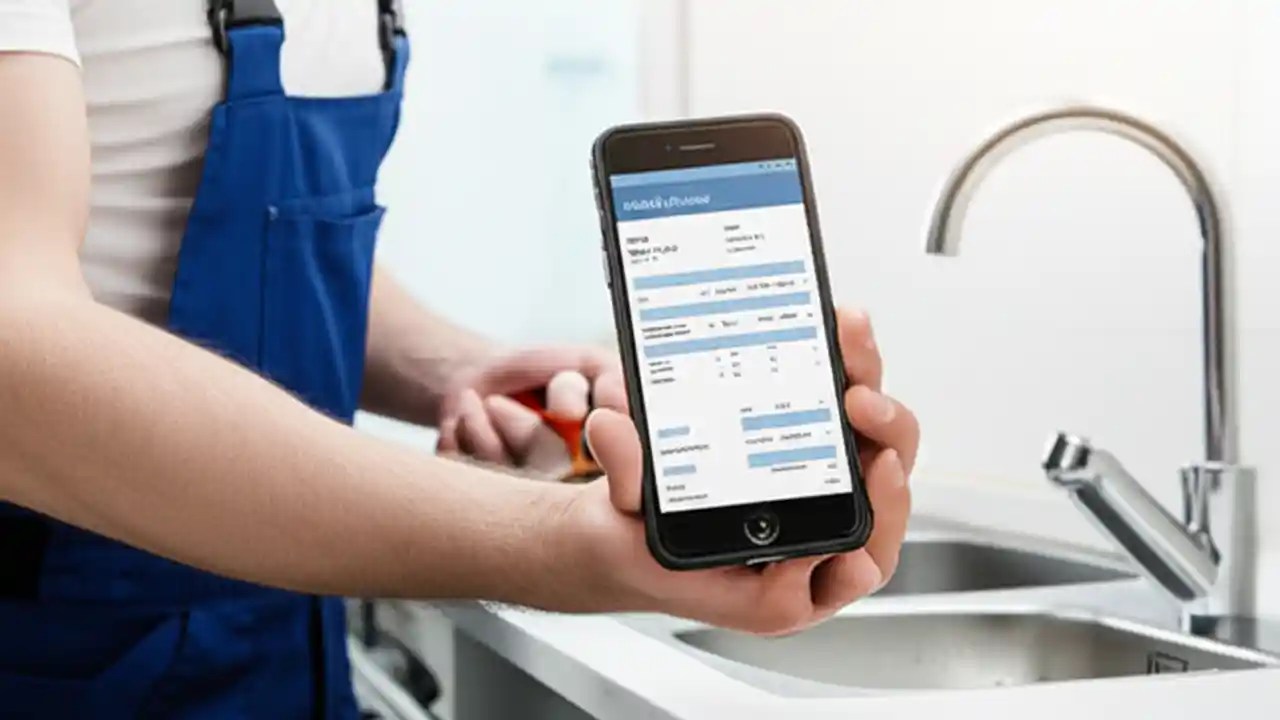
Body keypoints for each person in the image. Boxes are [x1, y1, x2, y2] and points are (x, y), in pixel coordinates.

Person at [0, 1, 919, 718]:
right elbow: (17, 357)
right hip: (54, 657)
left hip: (284, 649)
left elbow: (217, 240)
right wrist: (546, 542)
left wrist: (460, 369)